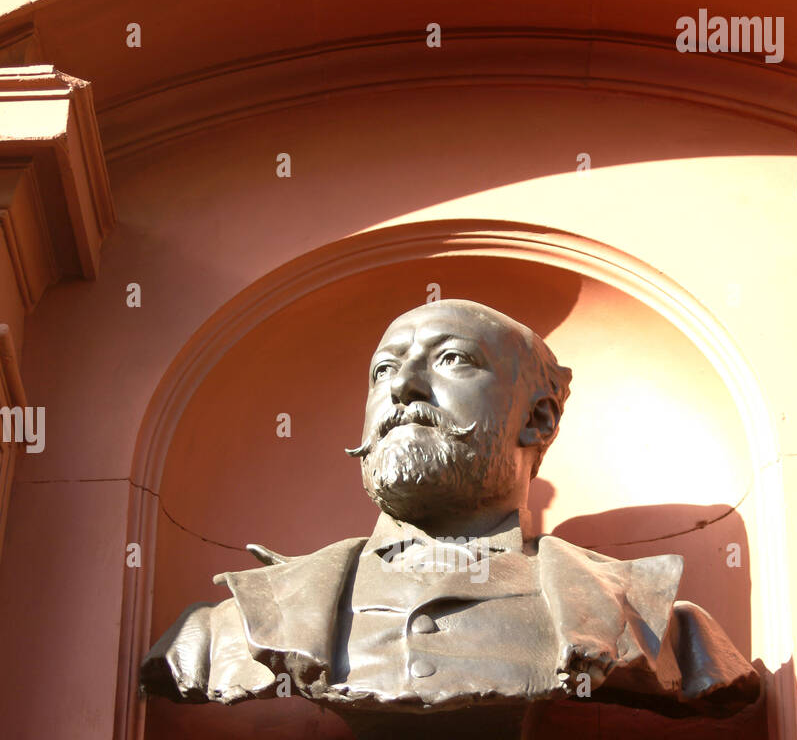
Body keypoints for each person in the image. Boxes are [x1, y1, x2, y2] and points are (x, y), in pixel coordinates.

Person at [141, 299, 760, 718]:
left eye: (452, 360)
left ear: (538, 418)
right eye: (383, 368)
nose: (402, 386)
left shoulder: (654, 627)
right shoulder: (224, 632)